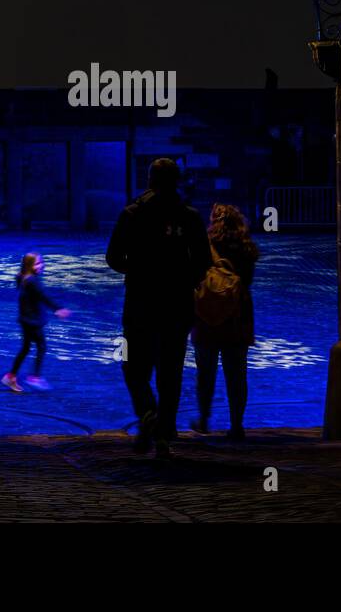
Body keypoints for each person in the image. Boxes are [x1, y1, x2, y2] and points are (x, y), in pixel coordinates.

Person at [106, 158, 211, 458]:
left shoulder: (132, 213)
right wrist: (183, 279)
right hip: (177, 305)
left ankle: (147, 412)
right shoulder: (189, 216)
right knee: (171, 371)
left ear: (150, 180)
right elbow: (203, 261)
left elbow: (113, 257)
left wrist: (137, 270)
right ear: (177, 181)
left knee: (134, 367)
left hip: (140, 303)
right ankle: (164, 433)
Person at [190, 203, 259, 441]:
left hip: (207, 315)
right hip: (237, 314)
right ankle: (237, 424)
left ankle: (203, 420)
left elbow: (196, 275)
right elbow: (247, 281)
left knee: (205, 372)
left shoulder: (206, 244)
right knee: (237, 374)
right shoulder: (246, 247)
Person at [2, 252, 69, 392]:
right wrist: (58, 309)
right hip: (32, 321)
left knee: (25, 348)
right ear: (29, 265)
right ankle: (35, 377)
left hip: (25, 319)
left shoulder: (22, 277)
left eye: (41, 262)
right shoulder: (32, 281)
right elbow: (44, 297)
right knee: (41, 347)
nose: (41, 266)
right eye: (37, 263)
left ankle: (11, 377)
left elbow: (36, 297)